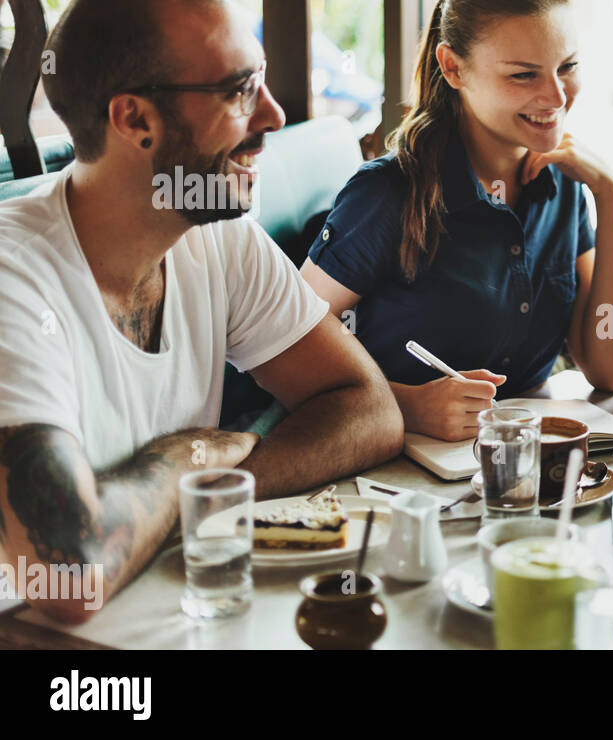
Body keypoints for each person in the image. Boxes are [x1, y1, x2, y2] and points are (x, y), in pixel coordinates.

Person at [0, 0, 405, 624]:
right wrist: (185, 458)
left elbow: (369, 409)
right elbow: (69, 576)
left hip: (163, 604)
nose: (273, 115)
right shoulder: (14, 277)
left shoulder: (214, 230)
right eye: (238, 90)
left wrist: (211, 495)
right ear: (135, 119)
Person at [301, 0, 613, 442]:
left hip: (523, 455)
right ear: (453, 68)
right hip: (399, 458)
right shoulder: (386, 193)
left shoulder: (565, 183)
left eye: (567, 67)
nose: (557, 97)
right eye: (524, 75)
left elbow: (611, 369)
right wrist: (407, 407)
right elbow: (285, 348)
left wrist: (609, 196)